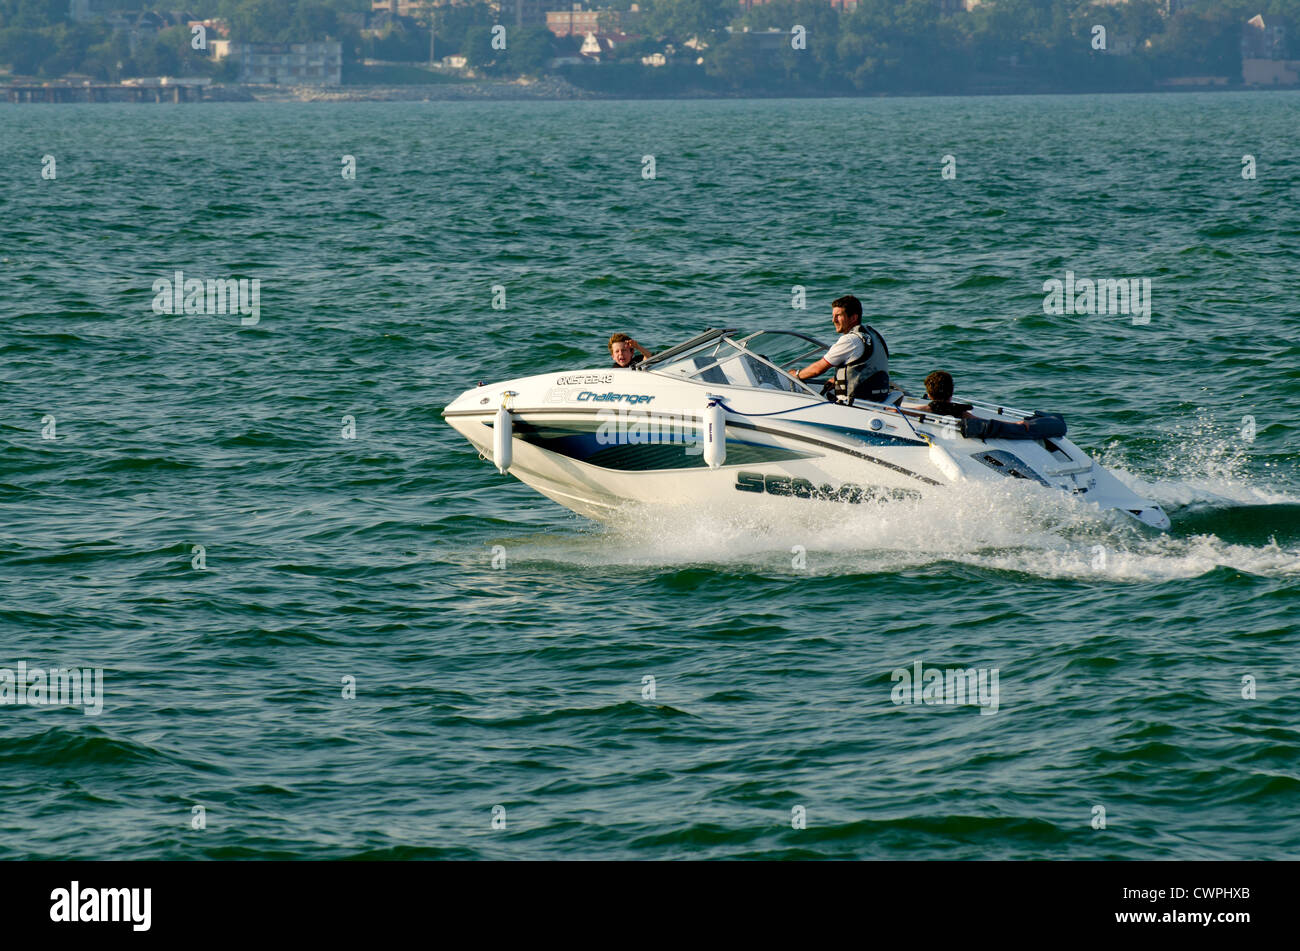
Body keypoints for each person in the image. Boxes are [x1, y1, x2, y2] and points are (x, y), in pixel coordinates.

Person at [795, 295, 890, 404]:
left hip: (854, 405)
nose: (833, 320)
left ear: (853, 318)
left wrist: (796, 375)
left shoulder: (850, 340)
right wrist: (839, 380)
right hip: (878, 399)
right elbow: (868, 367)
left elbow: (818, 369)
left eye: (838, 315)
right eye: (833, 316)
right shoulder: (874, 336)